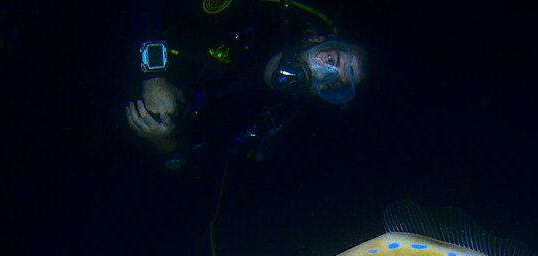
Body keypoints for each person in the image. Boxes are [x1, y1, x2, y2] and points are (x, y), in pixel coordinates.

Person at [125, 0, 365, 169]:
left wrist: (166, 145)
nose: (323, 75)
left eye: (334, 85)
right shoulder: (260, 11)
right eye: (332, 60)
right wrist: (155, 74)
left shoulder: (275, 120)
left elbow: (206, 165)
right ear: (316, 39)